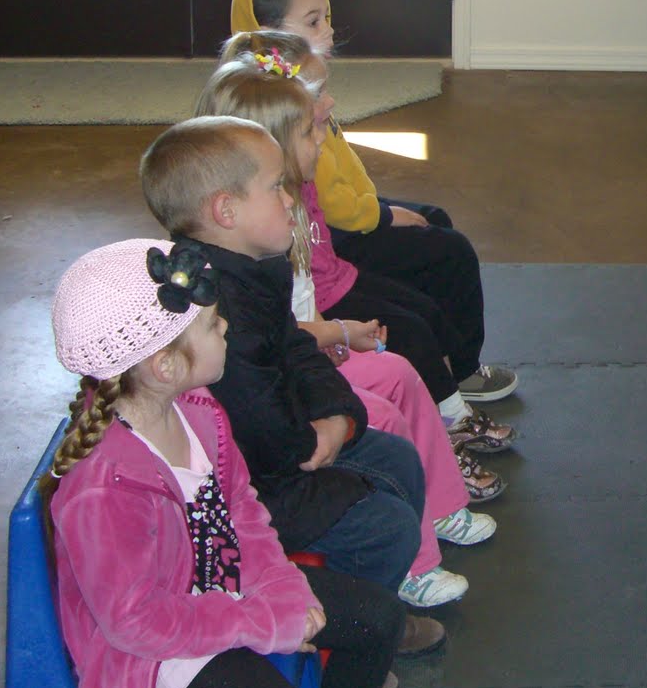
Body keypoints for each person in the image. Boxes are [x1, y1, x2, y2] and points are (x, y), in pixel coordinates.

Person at [45, 237, 426, 688]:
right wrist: (262, 622)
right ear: (165, 363)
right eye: (214, 325)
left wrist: (281, 588)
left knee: (378, 618)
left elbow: (242, 514)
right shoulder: (104, 489)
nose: (226, 332)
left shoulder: (199, 412)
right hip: (153, 651)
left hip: (216, 589)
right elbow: (136, 624)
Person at [191, 48, 499, 608]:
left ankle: (442, 505)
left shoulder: (277, 217)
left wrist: (335, 341)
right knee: (380, 410)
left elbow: (292, 334)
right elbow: (273, 357)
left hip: (312, 357)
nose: (324, 136)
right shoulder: (237, 267)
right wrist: (336, 348)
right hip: (294, 397)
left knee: (401, 371)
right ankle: (414, 565)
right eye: (313, 132)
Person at [138, 114, 446, 616]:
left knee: (398, 460)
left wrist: (338, 416)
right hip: (249, 484)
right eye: (274, 187)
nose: (290, 199)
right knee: (385, 527)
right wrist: (319, 437)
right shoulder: (214, 309)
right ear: (226, 210)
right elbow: (260, 427)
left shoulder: (256, 269)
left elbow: (299, 350)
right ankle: (354, 628)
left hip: (290, 447)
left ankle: (382, 602)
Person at [214, 30, 515, 495]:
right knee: (409, 331)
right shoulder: (267, 226)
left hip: (331, 291)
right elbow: (286, 321)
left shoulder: (296, 180)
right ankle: (445, 430)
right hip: (321, 320)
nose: (327, 120)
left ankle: (445, 418)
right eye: (314, 121)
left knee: (420, 312)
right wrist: (336, 333)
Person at [229, 0, 518, 406]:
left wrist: (378, 204)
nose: (328, 30)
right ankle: (457, 370)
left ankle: (447, 357)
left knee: (434, 223)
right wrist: (382, 214)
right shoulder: (285, 112)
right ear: (269, 34)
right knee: (447, 250)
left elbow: (343, 171)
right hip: (339, 234)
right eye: (312, 22)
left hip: (341, 220)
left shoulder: (308, 88)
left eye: (326, 17)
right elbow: (329, 200)